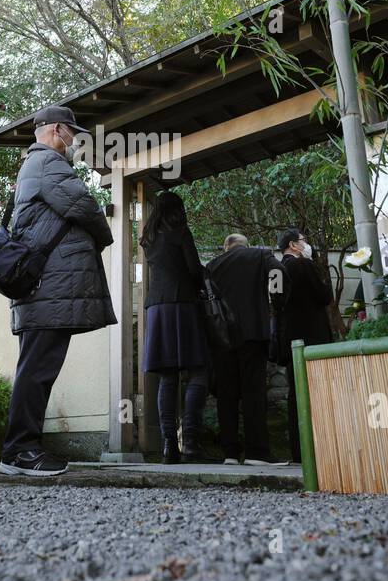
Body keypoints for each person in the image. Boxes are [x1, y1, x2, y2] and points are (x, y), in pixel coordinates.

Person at [2, 105, 114, 477]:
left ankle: (19, 451)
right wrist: (104, 235)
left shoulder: (31, 166)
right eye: (71, 133)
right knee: (38, 369)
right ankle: (20, 450)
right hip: (48, 290)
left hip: (43, 291)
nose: (73, 141)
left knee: (35, 368)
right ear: (55, 130)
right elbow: (85, 207)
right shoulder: (49, 164)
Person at [141, 191, 211, 464]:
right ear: (177, 210)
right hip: (183, 304)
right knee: (198, 372)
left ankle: (170, 446)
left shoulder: (149, 237)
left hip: (157, 308)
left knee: (167, 377)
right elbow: (194, 269)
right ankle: (191, 443)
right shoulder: (180, 231)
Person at [205, 233, 285, 465]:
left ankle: (229, 452)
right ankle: (257, 452)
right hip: (252, 332)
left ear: (226, 246)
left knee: (226, 394)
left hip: (222, 336)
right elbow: (278, 272)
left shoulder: (213, 265)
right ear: (245, 245)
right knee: (253, 392)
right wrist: (277, 298)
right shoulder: (260, 255)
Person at [272, 228, 335, 463]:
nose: (306, 244)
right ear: (293, 245)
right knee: (315, 392)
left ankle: (298, 451)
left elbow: (275, 303)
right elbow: (324, 296)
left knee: (294, 394)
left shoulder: (276, 270)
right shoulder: (304, 266)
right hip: (312, 335)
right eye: (303, 241)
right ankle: (319, 449)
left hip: (288, 337)